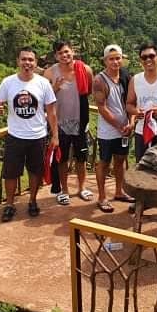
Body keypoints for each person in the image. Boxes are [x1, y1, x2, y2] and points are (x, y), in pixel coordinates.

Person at [0, 47, 58, 222]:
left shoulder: (43, 83)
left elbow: (51, 111)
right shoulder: (8, 82)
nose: (27, 63)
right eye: (24, 59)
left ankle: (33, 201)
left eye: (30, 60)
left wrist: (55, 136)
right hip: (15, 136)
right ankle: (10, 204)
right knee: (11, 173)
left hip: (37, 136)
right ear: (18, 61)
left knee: (35, 171)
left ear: (35, 63)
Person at [44, 40, 95, 205]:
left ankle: (81, 188)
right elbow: (43, 98)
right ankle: (64, 190)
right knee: (62, 159)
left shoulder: (85, 69)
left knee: (81, 158)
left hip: (80, 122)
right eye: (60, 53)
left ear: (72, 51)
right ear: (56, 56)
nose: (64, 55)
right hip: (59, 124)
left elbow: (90, 91)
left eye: (66, 52)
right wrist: (55, 88)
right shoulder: (50, 73)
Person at [92, 44, 134, 213]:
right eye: (111, 59)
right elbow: (102, 107)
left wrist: (131, 122)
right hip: (108, 132)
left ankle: (119, 191)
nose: (115, 62)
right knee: (104, 162)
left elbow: (132, 102)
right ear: (105, 61)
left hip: (124, 129)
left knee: (120, 160)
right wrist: (119, 125)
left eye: (118, 58)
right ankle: (102, 197)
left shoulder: (126, 77)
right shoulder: (99, 80)